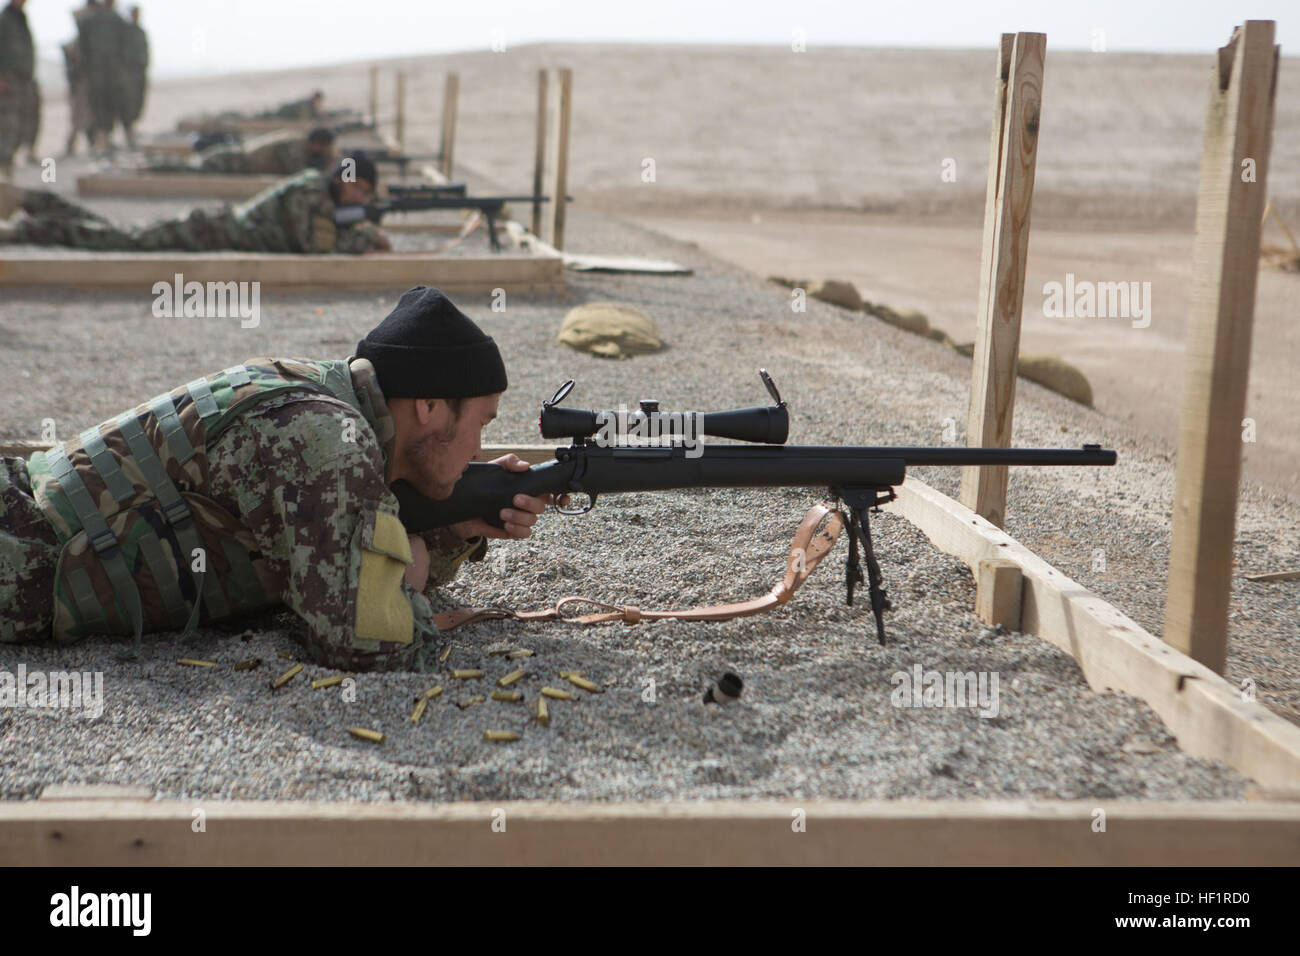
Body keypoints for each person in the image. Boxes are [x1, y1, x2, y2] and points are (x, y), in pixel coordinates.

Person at [0, 288, 552, 670]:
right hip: (18, 556)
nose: (481, 449)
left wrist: (451, 530)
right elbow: (366, 643)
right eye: (480, 423)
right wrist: (416, 564)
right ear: (429, 406)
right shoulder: (329, 441)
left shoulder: (320, 393)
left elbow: (325, 566)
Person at [0, 154, 392, 253]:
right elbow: (317, 249)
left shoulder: (317, 191)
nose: (360, 199)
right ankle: (25, 226)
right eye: (362, 191)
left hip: (210, 227)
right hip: (207, 230)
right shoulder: (313, 193)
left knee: (119, 233)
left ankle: (33, 202)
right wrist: (363, 238)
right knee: (120, 239)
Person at [149, 127, 338, 176]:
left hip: (234, 158)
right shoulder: (293, 145)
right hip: (232, 160)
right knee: (187, 169)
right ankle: (150, 165)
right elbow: (296, 170)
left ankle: (152, 163)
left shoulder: (299, 143)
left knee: (189, 166)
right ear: (316, 144)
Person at [79, 0, 122, 151]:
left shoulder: (115, 19)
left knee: (108, 105)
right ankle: (97, 139)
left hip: (109, 74)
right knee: (95, 107)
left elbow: (122, 45)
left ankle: (105, 137)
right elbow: (82, 47)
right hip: (95, 74)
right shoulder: (90, 20)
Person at [0, 0, 34, 176]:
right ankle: (4, 162)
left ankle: (9, 160)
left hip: (22, 78)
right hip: (8, 79)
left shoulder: (20, 18)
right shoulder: (4, 19)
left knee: (22, 121)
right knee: (7, 122)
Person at [117, 5, 148, 146]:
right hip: (127, 74)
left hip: (139, 73)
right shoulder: (125, 31)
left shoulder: (140, 31)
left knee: (137, 104)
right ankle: (128, 133)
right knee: (127, 104)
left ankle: (131, 132)